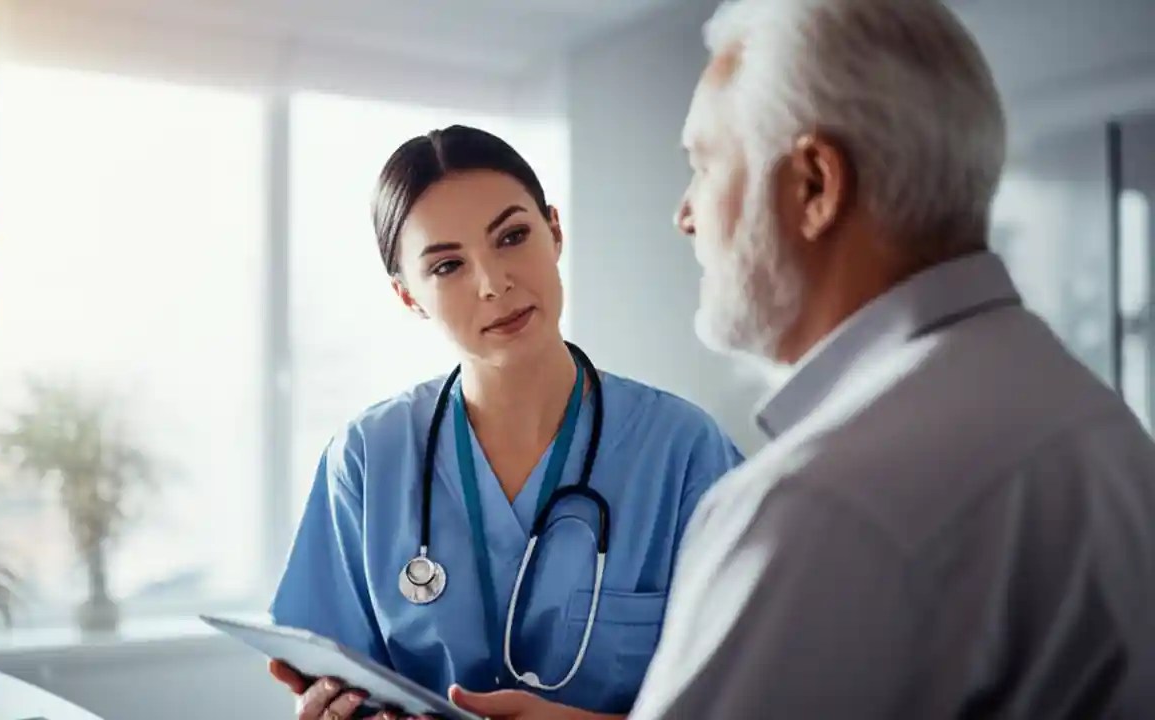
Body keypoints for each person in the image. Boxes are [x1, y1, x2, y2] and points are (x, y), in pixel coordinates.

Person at [630, 0, 1155, 717]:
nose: (684, 215)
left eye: (703, 165)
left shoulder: (820, 509)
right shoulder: (1105, 432)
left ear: (814, 186)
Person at [269, 125, 744, 720]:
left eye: (513, 237)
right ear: (408, 297)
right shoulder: (367, 459)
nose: (494, 284)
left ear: (555, 231)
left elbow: (761, 693)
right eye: (448, 266)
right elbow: (338, 682)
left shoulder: (684, 453)